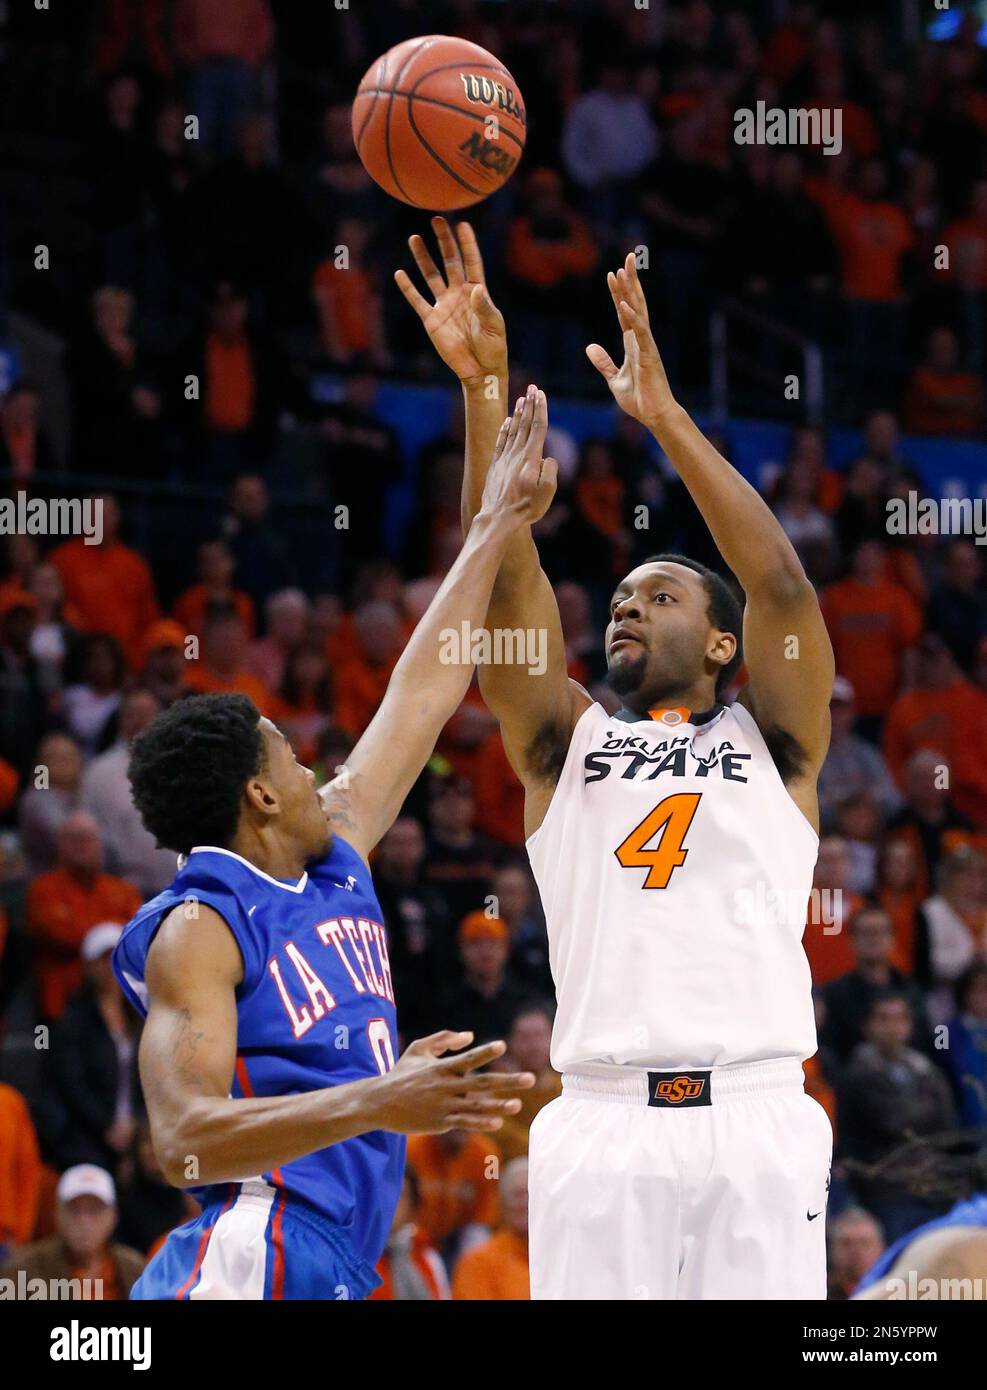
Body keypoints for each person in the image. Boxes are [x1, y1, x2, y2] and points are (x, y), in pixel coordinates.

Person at [397, 218, 835, 1300]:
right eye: (624, 596)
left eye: (664, 593)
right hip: (598, 1116)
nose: (629, 605)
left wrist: (667, 419)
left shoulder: (771, 742)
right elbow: (502, 594)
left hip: (759, 1110)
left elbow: (782, 585)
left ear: (723, 644)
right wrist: (483, 386)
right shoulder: (567, 741)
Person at [110, 395, 554, 1300]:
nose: (321, 772)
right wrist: (382, 1100)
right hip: (255, 1239)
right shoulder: (200, 925)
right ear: (261, 796)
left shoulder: (333, 854)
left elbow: (423, 689)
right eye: (295, 760)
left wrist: (494, 519)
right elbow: (183, 1140)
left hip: (336, 1252)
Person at [1, 1164, 145, 1300]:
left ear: (113, 1216)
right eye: (74, 1210)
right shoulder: (24, 1270)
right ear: (57, 1214)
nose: (84, 1221)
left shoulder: (135, 1269)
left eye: (94, 1210)